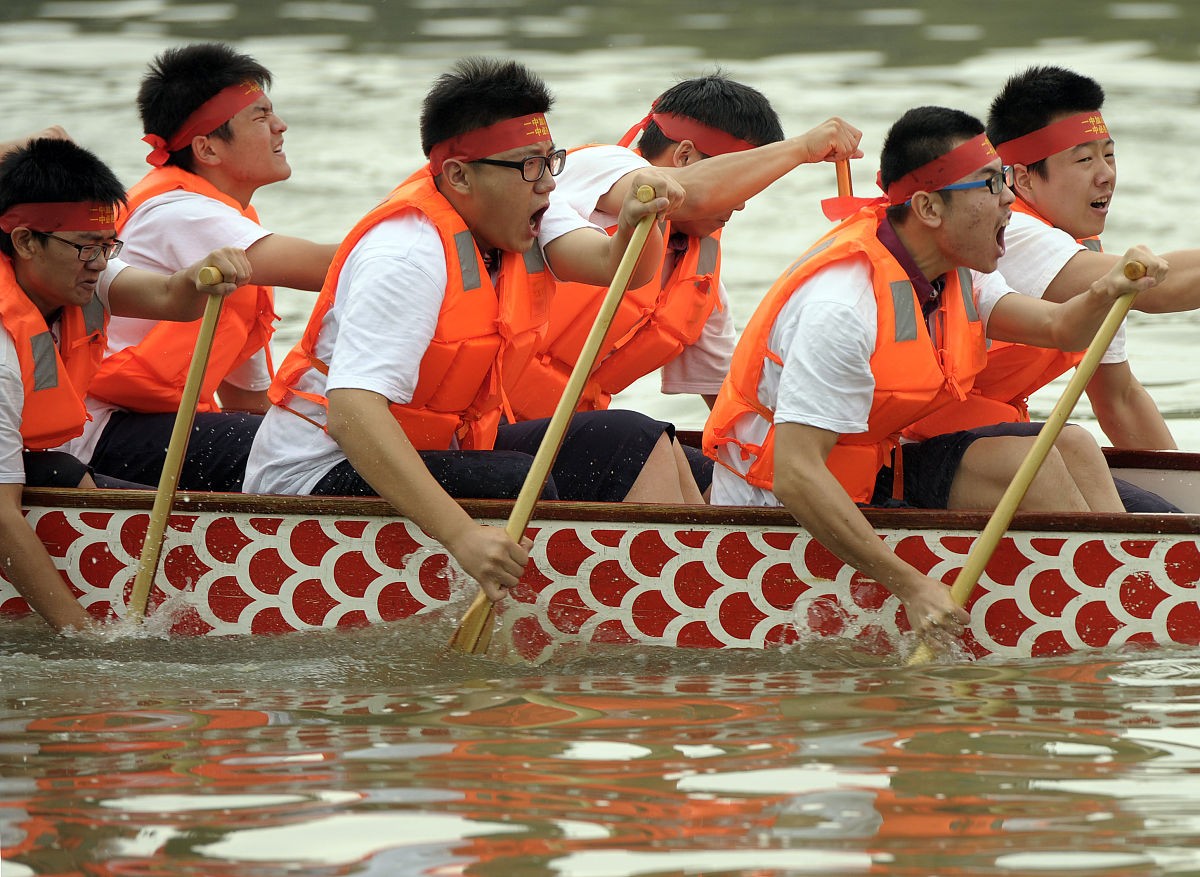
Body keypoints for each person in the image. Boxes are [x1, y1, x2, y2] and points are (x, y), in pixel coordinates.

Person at [245, 57, 705, 603]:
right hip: (312, 479)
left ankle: (677, 596)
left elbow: (616, 265)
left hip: (433, 447)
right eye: (529, 167)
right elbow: (351, 414)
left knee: (627, 436)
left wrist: (637, 218)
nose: (549, 183)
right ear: (460, 175)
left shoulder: (526, 204)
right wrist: (461, 535)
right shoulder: (406, 254)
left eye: (550, 162)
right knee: (512, 480)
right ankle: (583, 613)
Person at [703, 106, 1166, 643]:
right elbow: (797, 476)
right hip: (773, 514)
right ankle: (1109, 622)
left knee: (1071, 443)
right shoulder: (841, 306)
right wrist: (913, 587)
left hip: (870, 471)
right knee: (1027, 467)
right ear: (927, 207)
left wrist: (1110, 290)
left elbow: (1061, 327)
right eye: (992, 185)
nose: (1010, 200)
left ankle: (1126, 599)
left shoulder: (954, 271)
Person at [506, 74, 862, 493]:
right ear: (686, 156)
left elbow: (731, 406)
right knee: (639, 438)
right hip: (490, 428)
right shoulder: (598, 167)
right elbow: (675, 195)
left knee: (725, 473)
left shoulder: (701, 277)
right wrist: (802, 149)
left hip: (561, 435)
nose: (743, 201)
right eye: (741, 177)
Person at [0, 137, 250, 633]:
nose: (98, 263)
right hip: (35, 475)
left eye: (106, 246)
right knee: (61, 472)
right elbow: (1, 518)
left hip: (45, 457)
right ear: (26, 241)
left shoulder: (76, 268)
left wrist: (202, 278)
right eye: (85, 248)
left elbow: (168, 297)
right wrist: (83, 637)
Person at [76, 42, 339, 492]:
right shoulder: (179, 213)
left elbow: (246, 397)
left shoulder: (231, 233)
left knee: (328, 436)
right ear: (207, 148)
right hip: (102, 432)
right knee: (322, 448)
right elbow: (327, 269)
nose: (281, 126)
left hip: (150, 425)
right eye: (260, 117)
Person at [975, 66, 1189, 453]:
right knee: (1075, 445)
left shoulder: (1082, 250)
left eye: (1109, 155)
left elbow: (1119, 399)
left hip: (993, 440)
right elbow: (1158, 290)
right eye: (1084, 161)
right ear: (1022, 180)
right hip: (920, 452)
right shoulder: (1008, 233)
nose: (1106, 174)